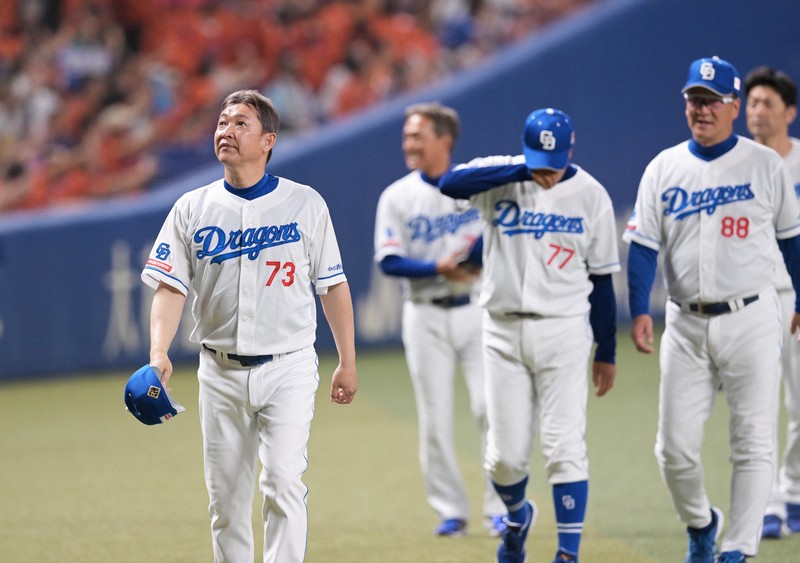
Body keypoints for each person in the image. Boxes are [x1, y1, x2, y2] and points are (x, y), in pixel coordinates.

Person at [140, 89, 358, 563]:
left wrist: (347, 361)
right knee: (226, 501)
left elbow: (333, 285)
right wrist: (159, 353)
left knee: (282, 481)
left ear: (268, 141)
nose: (227, 131)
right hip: (218, 371)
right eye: (222, 122)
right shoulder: (191, 207)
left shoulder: (305, 204)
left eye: (241, 123)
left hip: (289, 365)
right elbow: (170, 288)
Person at [623, 56, 800, 563]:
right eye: (693, 100)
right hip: (684, 321)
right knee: (672, 450)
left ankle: (739, 549)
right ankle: (701, 521)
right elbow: (641, 246)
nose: (700, 109)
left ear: (733, 106)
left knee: (752, 442)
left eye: (711, 101)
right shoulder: (663, 166)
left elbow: (792, 240)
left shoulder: (764, 165)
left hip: (751, 315)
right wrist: (639, 308)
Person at [439, 107, 620, 563]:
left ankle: (567, 554)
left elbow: (601, 280)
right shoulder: (502, 178)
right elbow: (450, 184)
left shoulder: (590, 194)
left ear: (570, 151)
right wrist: (523, 167)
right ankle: (518, 517)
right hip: (501, 332)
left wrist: (607, 349)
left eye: (552, 162)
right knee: (504, 458)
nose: (545, 173)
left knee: (564, 448)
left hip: (563, 330)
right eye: (537, 163)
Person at [373, 102, 507, 537]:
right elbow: (389, 262)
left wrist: (479, 258)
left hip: (476, 308)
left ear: (444, 140)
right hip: (425, 313)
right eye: (408, 136)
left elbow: (501, 232)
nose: (409, 143)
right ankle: (451, 509)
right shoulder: (397, 195)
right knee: (434, 417)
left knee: (490, 407)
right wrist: (437, 269)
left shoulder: (474, 185)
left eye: (418, 135)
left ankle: (499, 507)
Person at [744, 66, 800, 540]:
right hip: (756, 297)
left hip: (797, 293)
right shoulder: (736, 165)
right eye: (752, 103)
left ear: (790, 113)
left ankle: (796, 492)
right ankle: (767, 505)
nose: (757, 111)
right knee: (756, 407)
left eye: (767, 103)